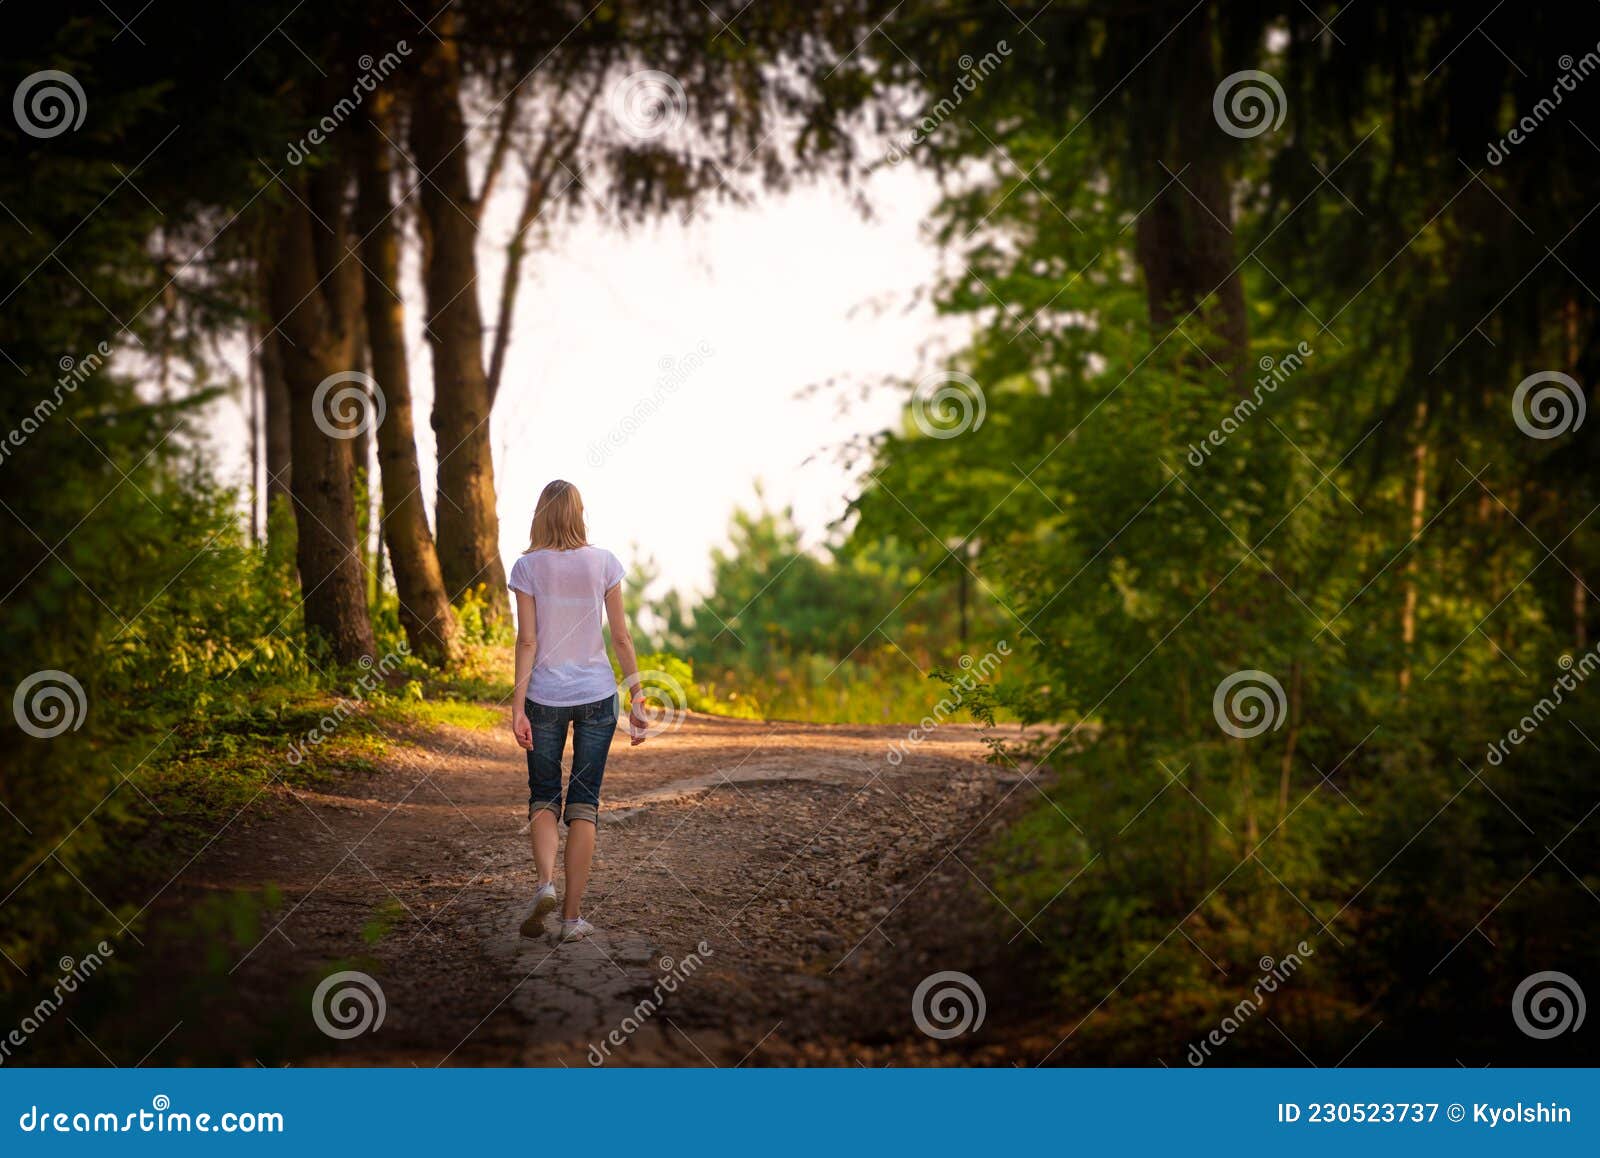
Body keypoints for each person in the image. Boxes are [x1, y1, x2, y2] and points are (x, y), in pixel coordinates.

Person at [509, 480, 647, 942]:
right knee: (584, 803)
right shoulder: (603, 562)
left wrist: (517, 706)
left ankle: (545, 883)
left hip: (544, 697)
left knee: (544, 794)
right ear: (579, 513)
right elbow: (621, 637)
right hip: (596, 695)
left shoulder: (527, 567)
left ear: (539, 514)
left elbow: (527, 640)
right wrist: (638, 695)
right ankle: (570, 920)